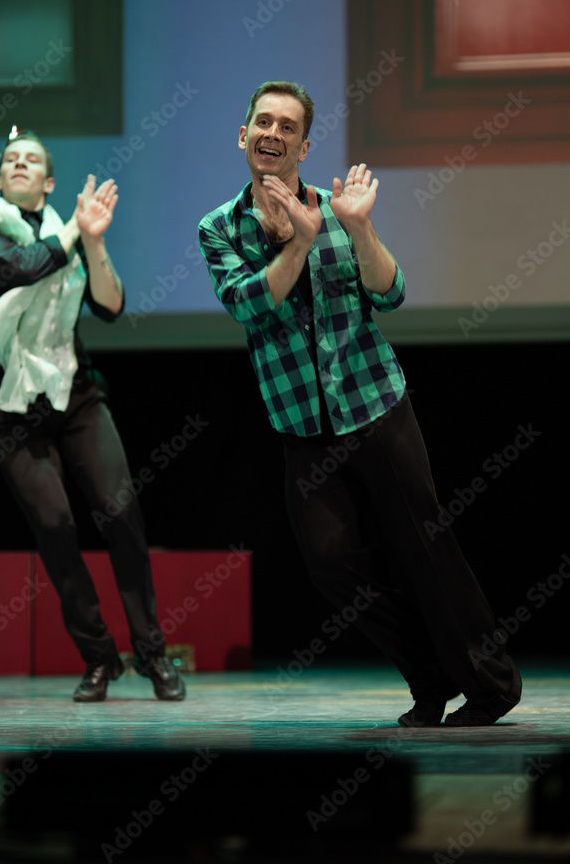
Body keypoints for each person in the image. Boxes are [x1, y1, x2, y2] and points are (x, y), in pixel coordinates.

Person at [198, 82, 521, 727]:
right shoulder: (219, 228)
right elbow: (249, 306)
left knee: (425, 549)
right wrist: (297, 243)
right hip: (303, 427)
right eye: (263, 121)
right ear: (243, 135)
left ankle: (489, 686)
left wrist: (359, 227)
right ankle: (429, 677)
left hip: (376, 407)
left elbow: (391, 290)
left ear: (303, 145)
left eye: (287, 127)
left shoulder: (338, 209)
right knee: (331, 565)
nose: (272, 133)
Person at [0, 127, 185, 703]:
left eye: (32, 160)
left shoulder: (73, 235)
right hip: (9, 402)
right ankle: (99, 656)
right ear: (0, 178)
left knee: (119, 510)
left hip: (76, 393)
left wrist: (95, 242)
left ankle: (152, 652)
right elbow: (26, 266)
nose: (21, 165)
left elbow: (110, 305)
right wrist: (74, 234)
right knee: (55, 526)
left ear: (49, 181)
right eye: (11, 160)